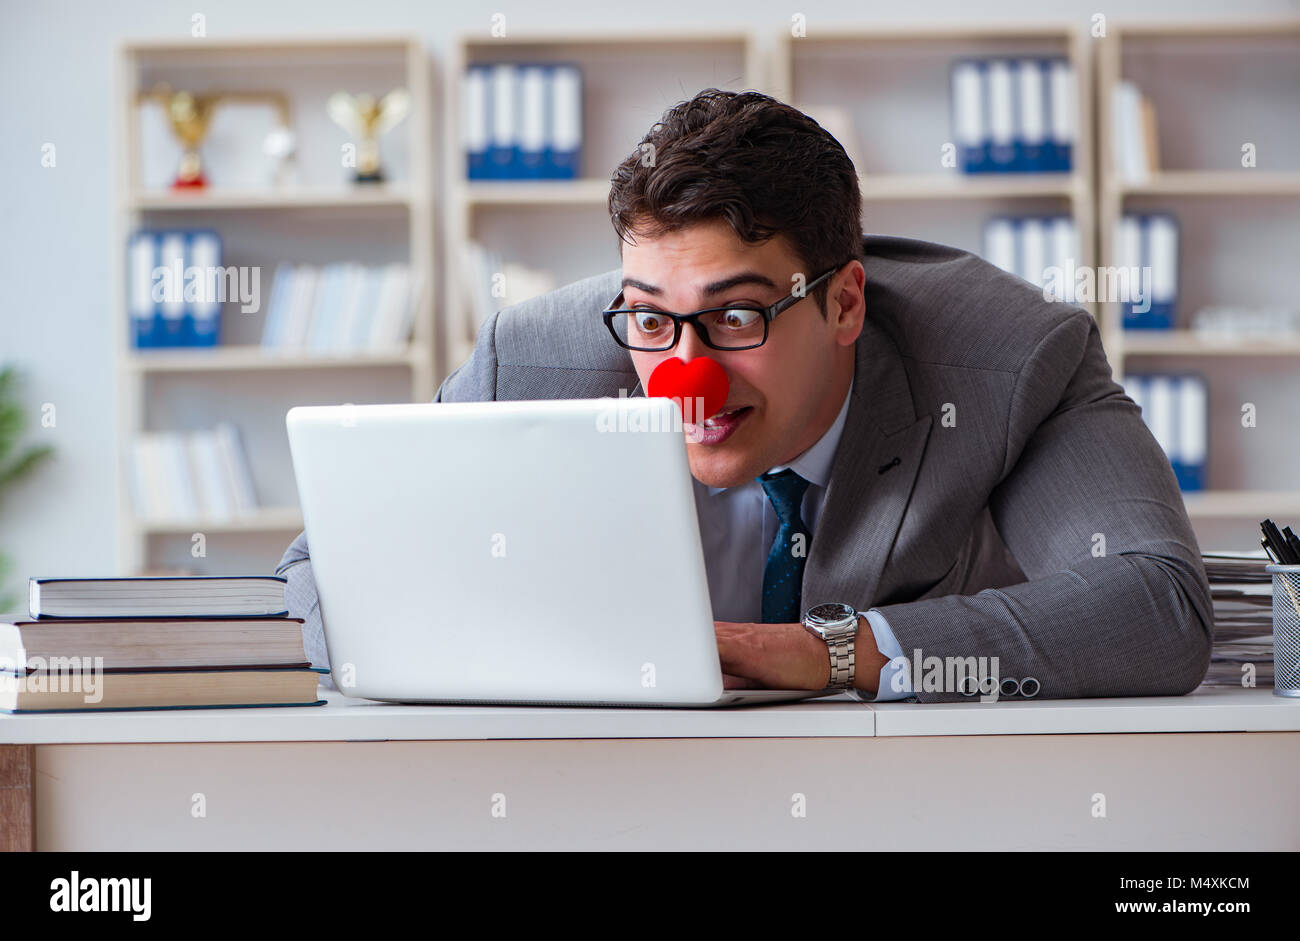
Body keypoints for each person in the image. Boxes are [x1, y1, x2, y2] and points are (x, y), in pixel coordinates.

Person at [277, 88, 1212, 703]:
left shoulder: (1008, 360)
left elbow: (1159, 608)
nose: (689, 375)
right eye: (650, 319)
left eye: (736, 317)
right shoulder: (528, 363)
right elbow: (321, 571)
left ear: (844, 301)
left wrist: (845, 652)